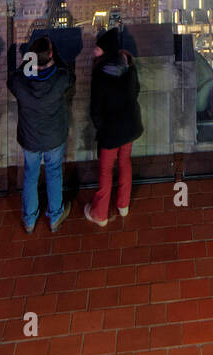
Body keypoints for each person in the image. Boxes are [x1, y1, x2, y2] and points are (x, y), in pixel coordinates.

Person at [8, 35, 74, 234]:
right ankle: (55, 216)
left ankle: (29, 219)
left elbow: (12, 80)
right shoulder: (59, 78)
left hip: (30, 138)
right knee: (54, 172)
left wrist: (28, 64)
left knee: (30, 174)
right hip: (54, 136)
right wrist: (57, 59)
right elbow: (70, 77)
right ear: (51, 55)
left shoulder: (21, 82)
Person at [85, 28, 142, 227]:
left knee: (106, 170)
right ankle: (123, 205)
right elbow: (136, 91)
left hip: (111, 131)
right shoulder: (129, 67)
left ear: (107, 50)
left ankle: (100, 213)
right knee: (125, 162)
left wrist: (102, 129)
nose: (94, 52)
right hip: (130, 126)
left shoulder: (100, 76)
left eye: (98, 49)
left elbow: (95, 110)